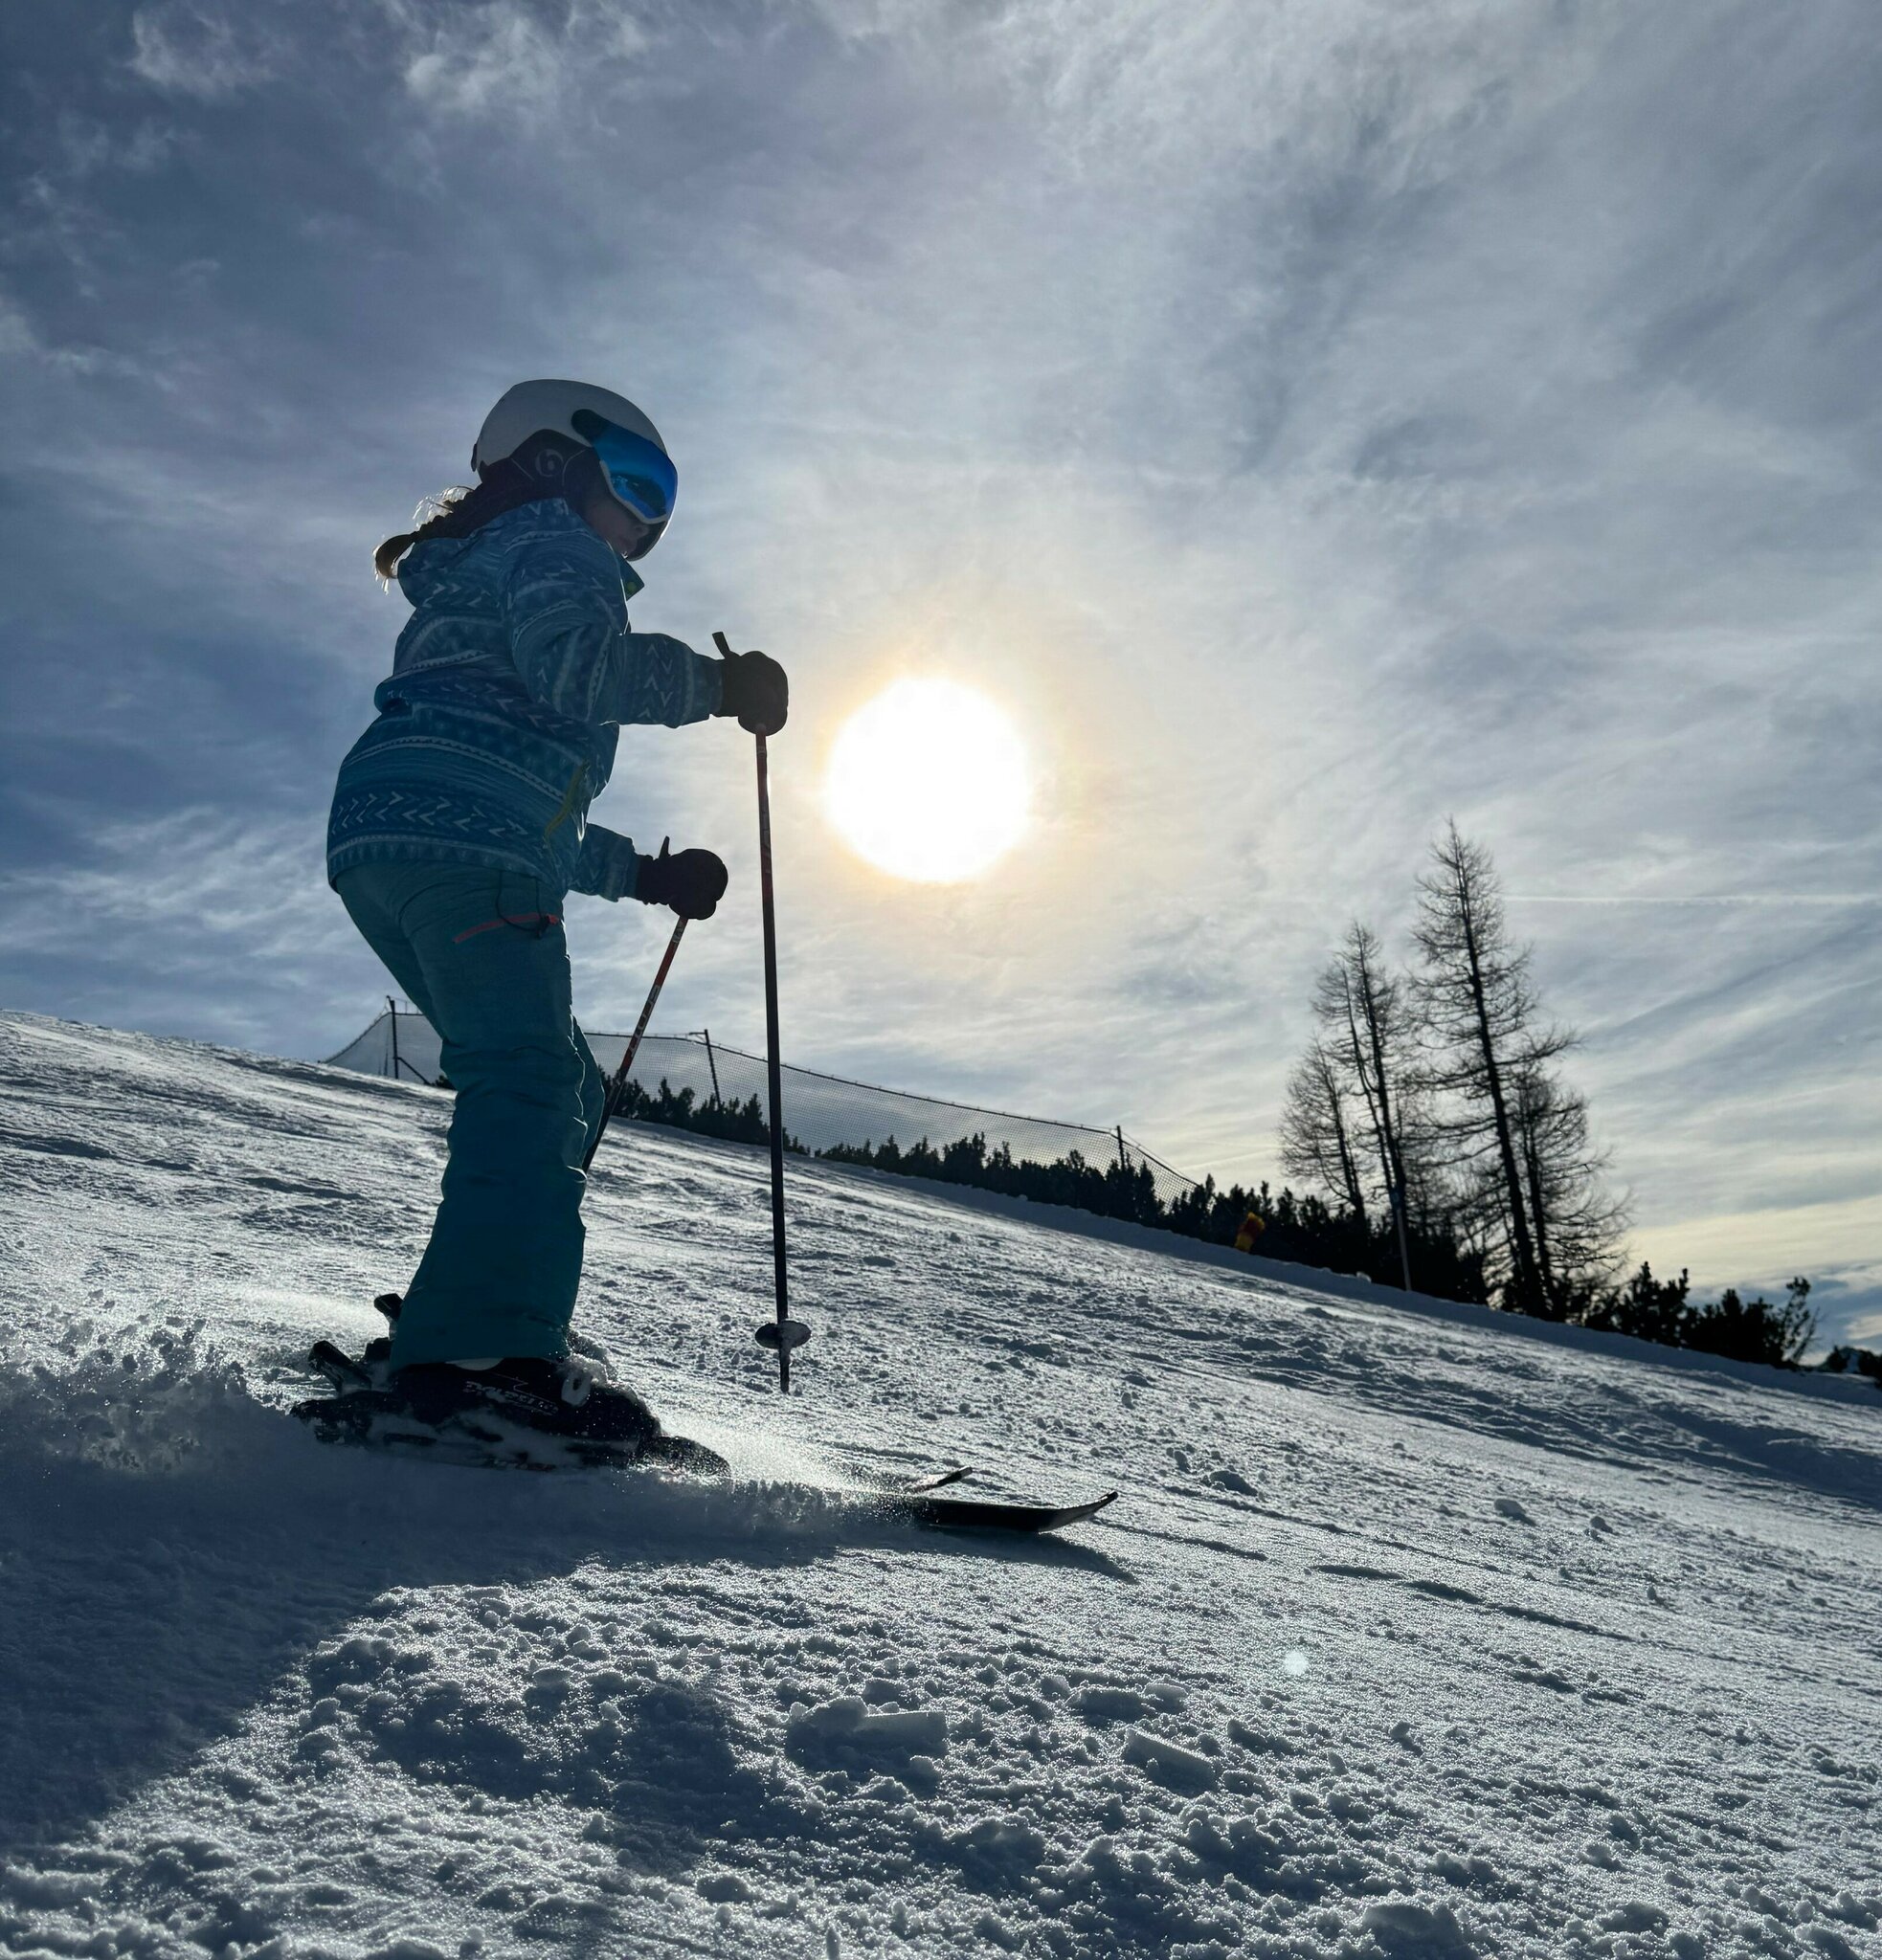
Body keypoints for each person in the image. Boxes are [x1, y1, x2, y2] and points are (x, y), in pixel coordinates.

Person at [306, 379, 787, 1459]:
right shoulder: (555, 544)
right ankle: (483, 1357)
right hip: (466, 841)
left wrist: (646, 877)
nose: (646, 521)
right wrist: (723, 684)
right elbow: (580, 670)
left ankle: (456, 1322)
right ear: (551, 459)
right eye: (635, 481)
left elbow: (521, 806)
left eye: (662, 503)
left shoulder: (480, 568)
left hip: (395, 840)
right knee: (528, 1078)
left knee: (550, 1077)